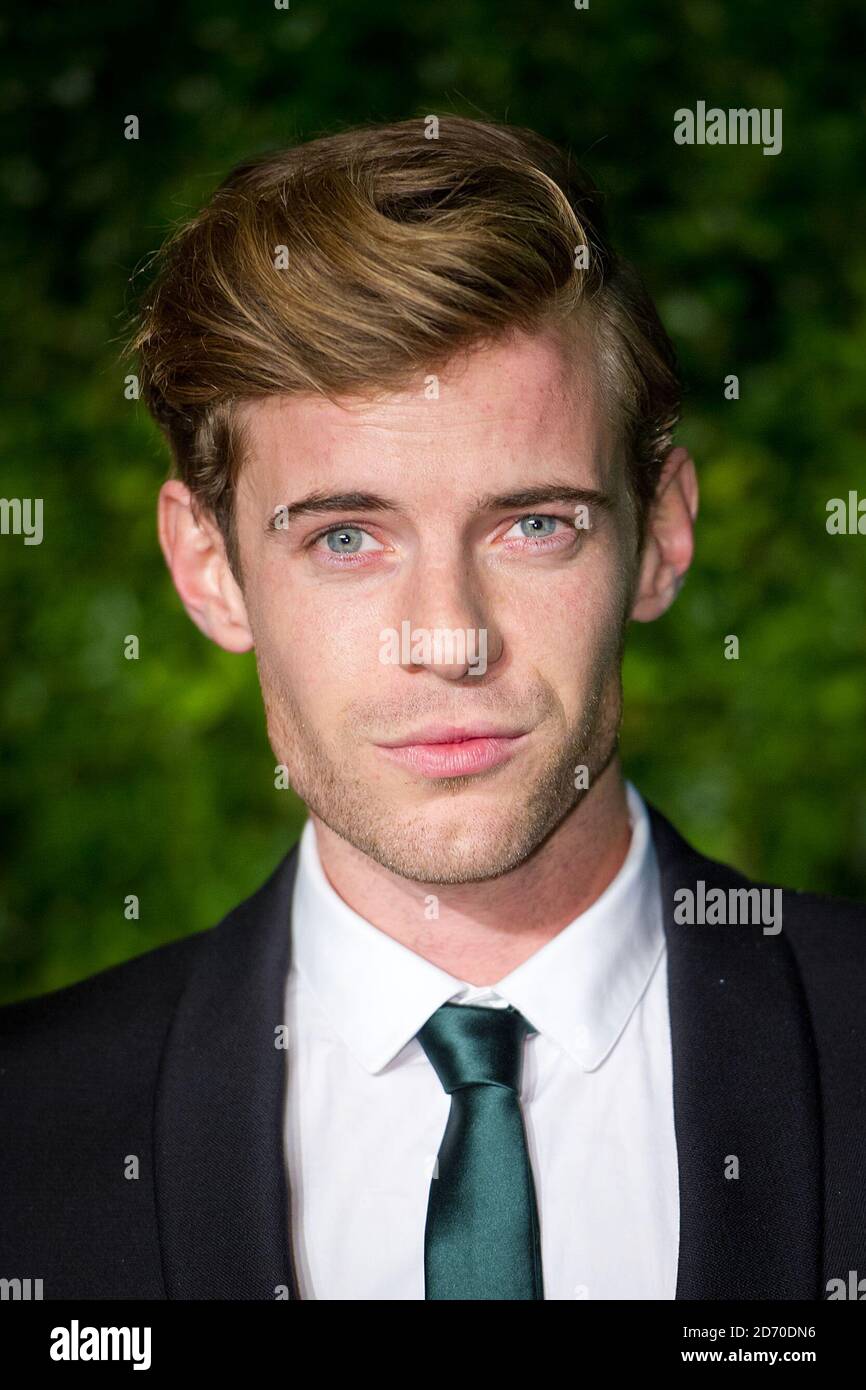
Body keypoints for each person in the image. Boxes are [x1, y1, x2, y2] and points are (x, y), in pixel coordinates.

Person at [1, 116, 863, 1301]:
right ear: (208, 569)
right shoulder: (26, 1133)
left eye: (533, 525)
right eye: (345, 538)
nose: (447, 637)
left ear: (660, 534)